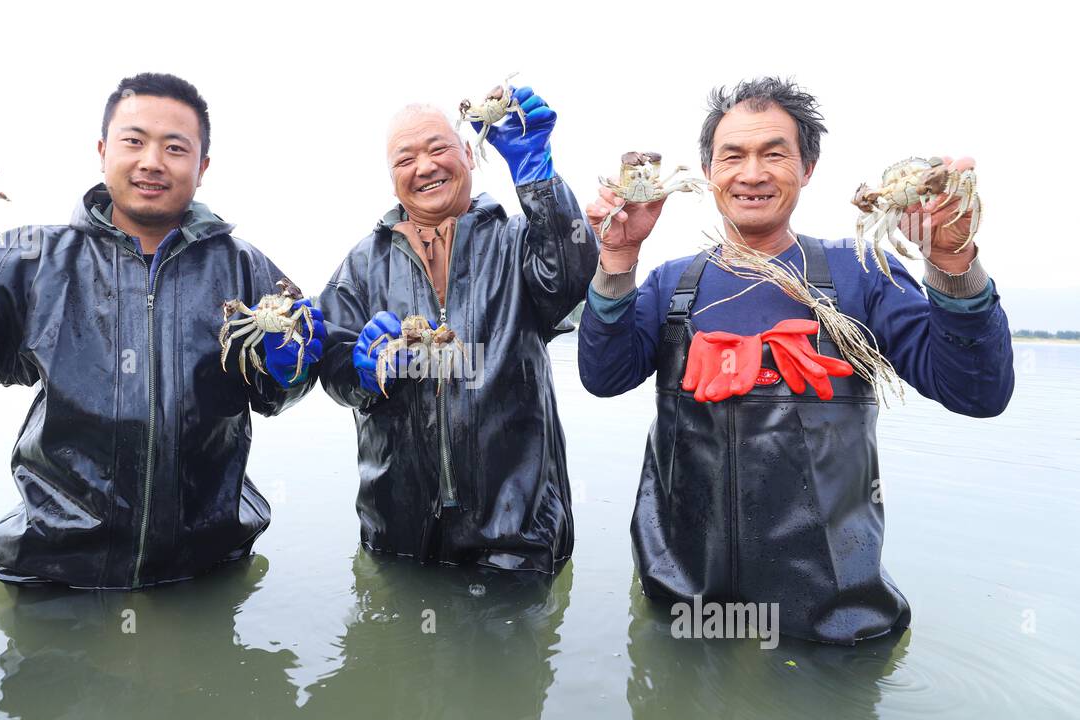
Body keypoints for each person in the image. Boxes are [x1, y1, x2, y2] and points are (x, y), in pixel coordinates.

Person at [577, 77, 1014, 644]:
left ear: (807, 168)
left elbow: (978, 393)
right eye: (732, 156)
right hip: (684, 611)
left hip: (832, 621)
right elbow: (602, 378)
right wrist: (617, 257)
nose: (752, 173)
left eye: (774, 154)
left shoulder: (862, 274)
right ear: (709, 171)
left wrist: (953, 262)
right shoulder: (670, 285)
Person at [0, 73, 325, 589]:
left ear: (202, 167)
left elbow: (277, 392)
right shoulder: (28, 259)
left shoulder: (247, 271)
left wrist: (296, 368)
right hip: (55, 575)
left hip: (208, 570)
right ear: (103, 150)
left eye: (175, 147)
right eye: (134, 141)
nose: (152, 161)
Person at [317, 87, 599, 573]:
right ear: (392, 180)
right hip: (396, 534)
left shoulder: (517, 242)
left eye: (438, 148)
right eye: (405, 158)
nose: (424, 166)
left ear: (469, 152)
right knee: (393, 648)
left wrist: (537, 176)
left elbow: (571, 278)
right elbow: (334, 373)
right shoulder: (362, 264)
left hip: (517, 536)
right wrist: (361, 372)